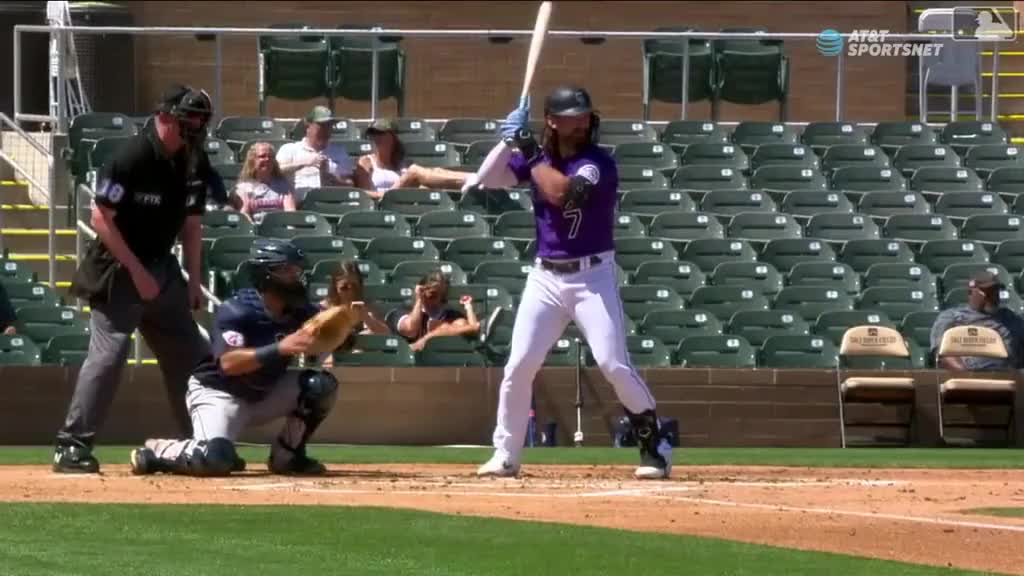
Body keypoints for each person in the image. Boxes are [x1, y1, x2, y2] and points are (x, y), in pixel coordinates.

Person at [464, 86, 672, 480]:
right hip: (545, 276)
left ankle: (654, 447)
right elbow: (488, 179)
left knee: (613, 364)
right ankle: (506, 454)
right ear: (553, 121)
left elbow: (562, 194)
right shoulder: (540, 158)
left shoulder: (597, 163)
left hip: (592, 276)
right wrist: (507, 139)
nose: (582, 121)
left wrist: (528, 147)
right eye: (572, 116)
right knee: (519, 366)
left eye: (584, 115)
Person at [53, 84, 216, 474]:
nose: (194, 127)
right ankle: (72, 444)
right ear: (164, 116)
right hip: (118, 267)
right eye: (187, 119)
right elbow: (100, 219)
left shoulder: (193, 160)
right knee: (109, 356)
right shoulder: (132, 156)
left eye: (199, 120)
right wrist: (138, 273)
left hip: (162, 270)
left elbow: (192, 226)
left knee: (192, 358)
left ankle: (204, 442)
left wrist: (194, 281)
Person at [128, 238, 339, 477]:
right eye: (287, 270)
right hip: (220, 393)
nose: (296, 276)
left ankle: (288, 456)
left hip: (262, 392)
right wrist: (281, 347)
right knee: (214, 459)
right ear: (265, 273)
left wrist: (345, 322)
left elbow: (335, 334)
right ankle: (164, 450)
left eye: (297, 270)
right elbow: (228, 364)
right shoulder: (237, 310)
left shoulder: (300, 310)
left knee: (320, 387)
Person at [930, 270, 1024, 370]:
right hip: (966, 376)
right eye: (987, 291)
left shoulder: (1010, 318)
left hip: (1008, 377)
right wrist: (965, 374)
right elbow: (942, 353)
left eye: (996, 291)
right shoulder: (952, 317)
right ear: (971, 292)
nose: (993, 295)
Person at [354, 118, 471, 198]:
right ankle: (467, 179)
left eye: (380, 133)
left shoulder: (403, 163)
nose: (375, 137)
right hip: (383, 203)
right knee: (414, 171)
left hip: (403, 203)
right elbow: (364, 194)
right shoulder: (366, 162)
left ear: (392, 137)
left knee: (434, 173)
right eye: (373, 134)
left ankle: (471, 180)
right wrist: (386, 195)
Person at [276, 105, 355, 203]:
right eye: (321, 126)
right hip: (300, 205)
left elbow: (350, 184)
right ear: (308, 125)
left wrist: (332, 179)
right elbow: (274, 172)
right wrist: (304, 164)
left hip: (333, 203)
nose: (326, 131)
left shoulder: (339, 152)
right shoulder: (290, 149)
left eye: (329, 126)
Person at [394, 270, 480, 352]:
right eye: (433, 294)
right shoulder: (404, 311)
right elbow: (410, 330)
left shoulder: (453, 315)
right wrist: (419, 299)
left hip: (446, 361)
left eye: (441, 294)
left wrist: (468, 306)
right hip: (414, 363)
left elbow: (473, 332)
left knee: (460, 323)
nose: (438, 298)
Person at [235, 142, 296, 219]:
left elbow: (290, 212)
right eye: (262, 156)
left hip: (280, 227)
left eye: (271, 157)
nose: (267, 159)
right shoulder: (243, 188)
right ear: (252, 160)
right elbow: (245, 215)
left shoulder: (284, 185)